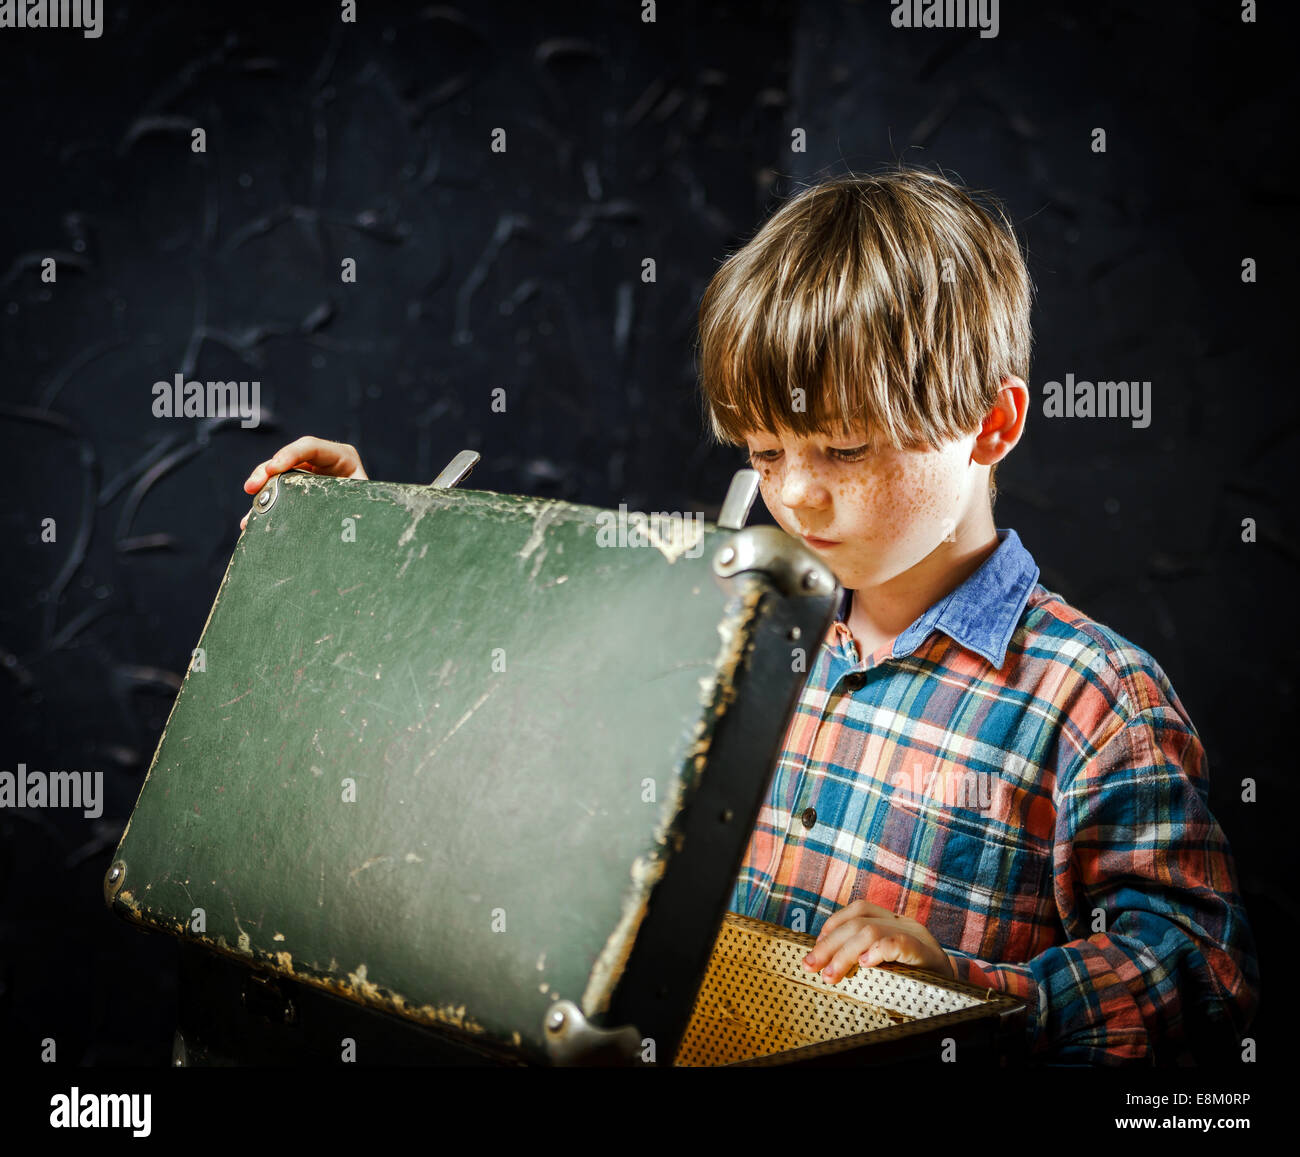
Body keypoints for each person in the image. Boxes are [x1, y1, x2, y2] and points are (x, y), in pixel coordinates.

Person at [238, 166, 1259, 1066]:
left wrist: (967, 996)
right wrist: (372, 538)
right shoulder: (723, 633)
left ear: (991, 420)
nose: (797, 496)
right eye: (764, 453)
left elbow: (1202, 978)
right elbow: (511, 712)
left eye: (844, 450)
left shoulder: (1092, 698)